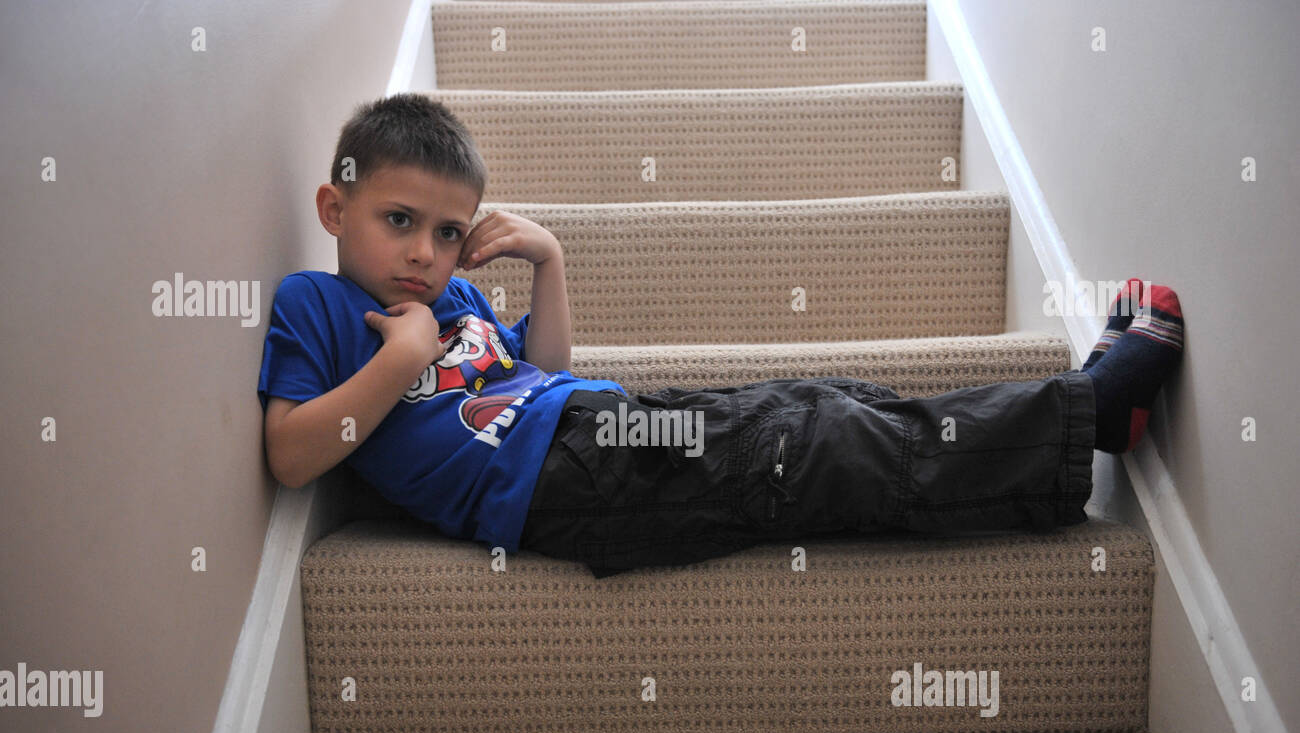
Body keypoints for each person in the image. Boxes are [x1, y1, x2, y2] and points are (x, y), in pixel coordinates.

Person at [258, 94, 1184, 579]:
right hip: (557, 484)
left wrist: (550, 263)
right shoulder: (317, 304)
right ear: (335, 208)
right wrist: (403, 361)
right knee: (813, 444)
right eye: (399, 220)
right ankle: (1089, 415)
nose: (426, 253)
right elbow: (295, 454)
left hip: (601, 428)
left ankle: (1048, 445)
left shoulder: (455, 298)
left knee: (830, 403)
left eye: (449, 230)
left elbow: (542, 370)